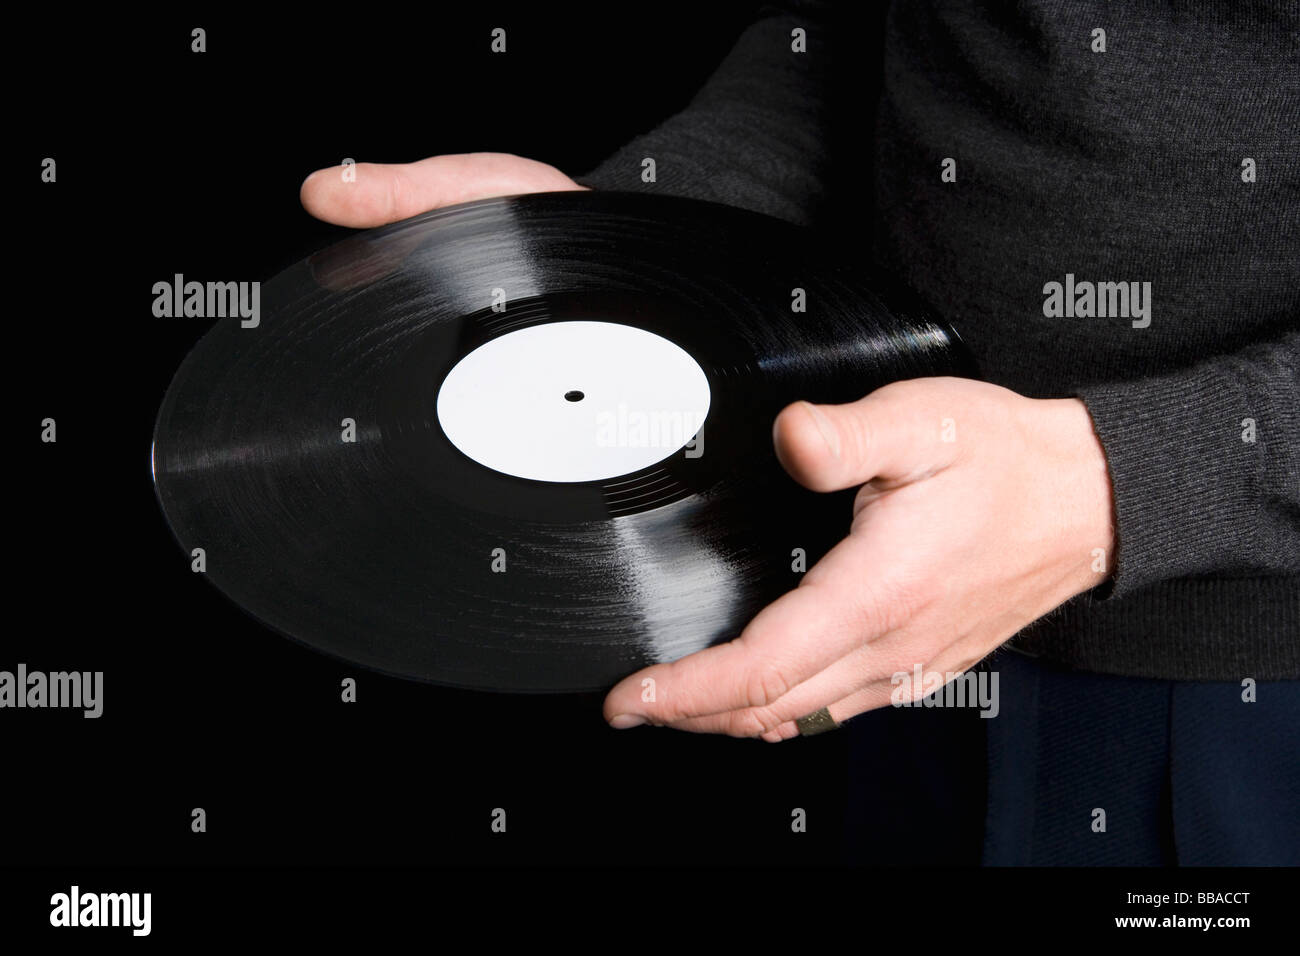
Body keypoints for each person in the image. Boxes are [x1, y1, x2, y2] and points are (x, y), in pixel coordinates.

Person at [299, 1, 1299, 864]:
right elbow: (857, 35)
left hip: (1241, 704)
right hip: (869, 625)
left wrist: (1125, 482)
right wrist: (647, 244)